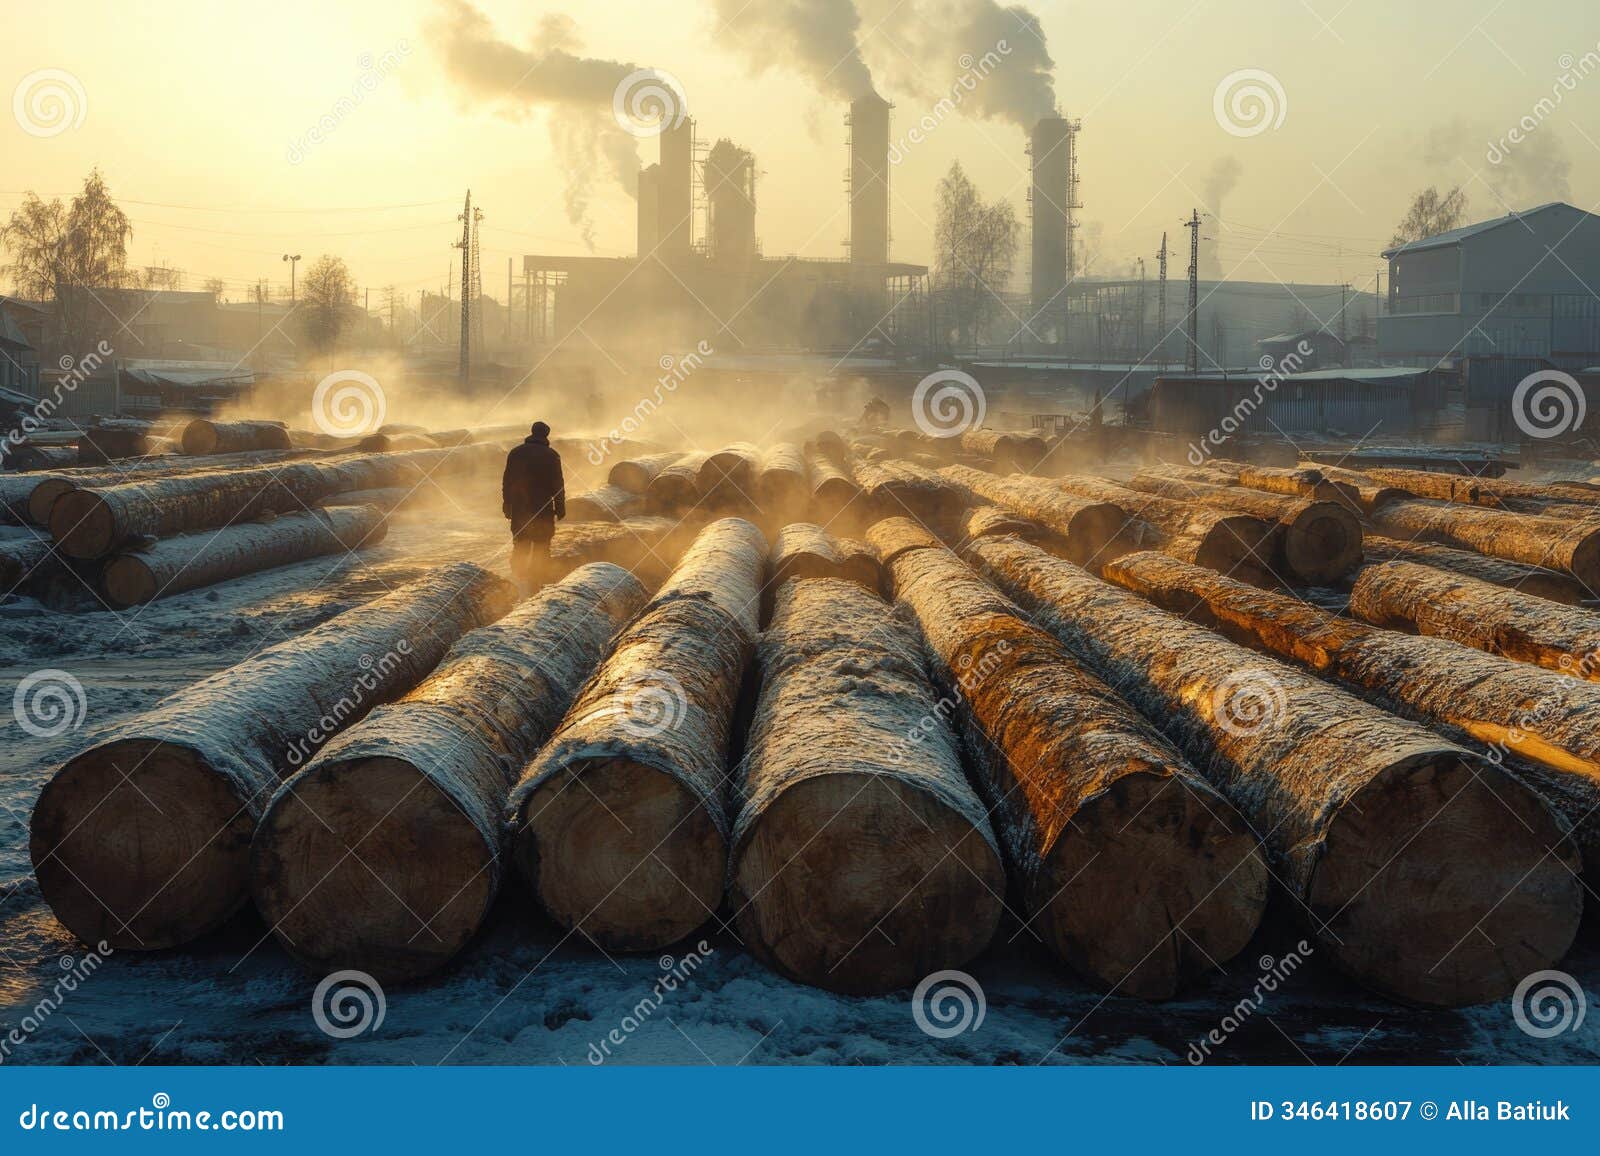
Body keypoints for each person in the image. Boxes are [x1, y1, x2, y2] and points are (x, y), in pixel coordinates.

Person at [502, 421, 565, 587]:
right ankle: (537, 579)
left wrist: (507, 504)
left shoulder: (515, 453)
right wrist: (560, 508)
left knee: (521, 543)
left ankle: (518, 579)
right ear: (546, 435)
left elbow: (507, 481)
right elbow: (557, 484)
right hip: (542, 507)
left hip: (519, 506)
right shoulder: (551, 455)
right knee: (541, 545)